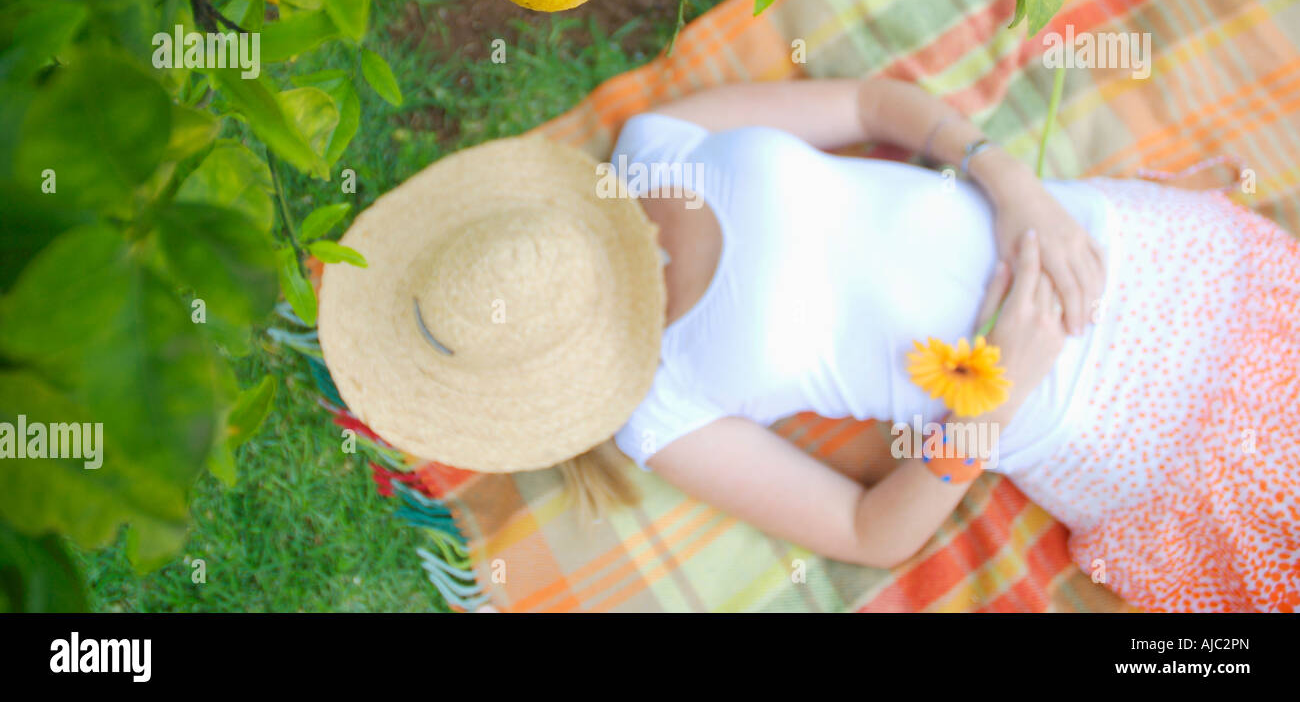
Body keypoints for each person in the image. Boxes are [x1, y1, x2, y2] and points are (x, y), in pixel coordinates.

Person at [319, 78, 1300, 612]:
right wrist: (995, 393)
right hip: (1101, 417)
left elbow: (872, 107)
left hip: (1119, 247)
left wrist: (1010, 183)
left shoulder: (654, 145)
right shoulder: (654, 407)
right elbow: (873, 532)